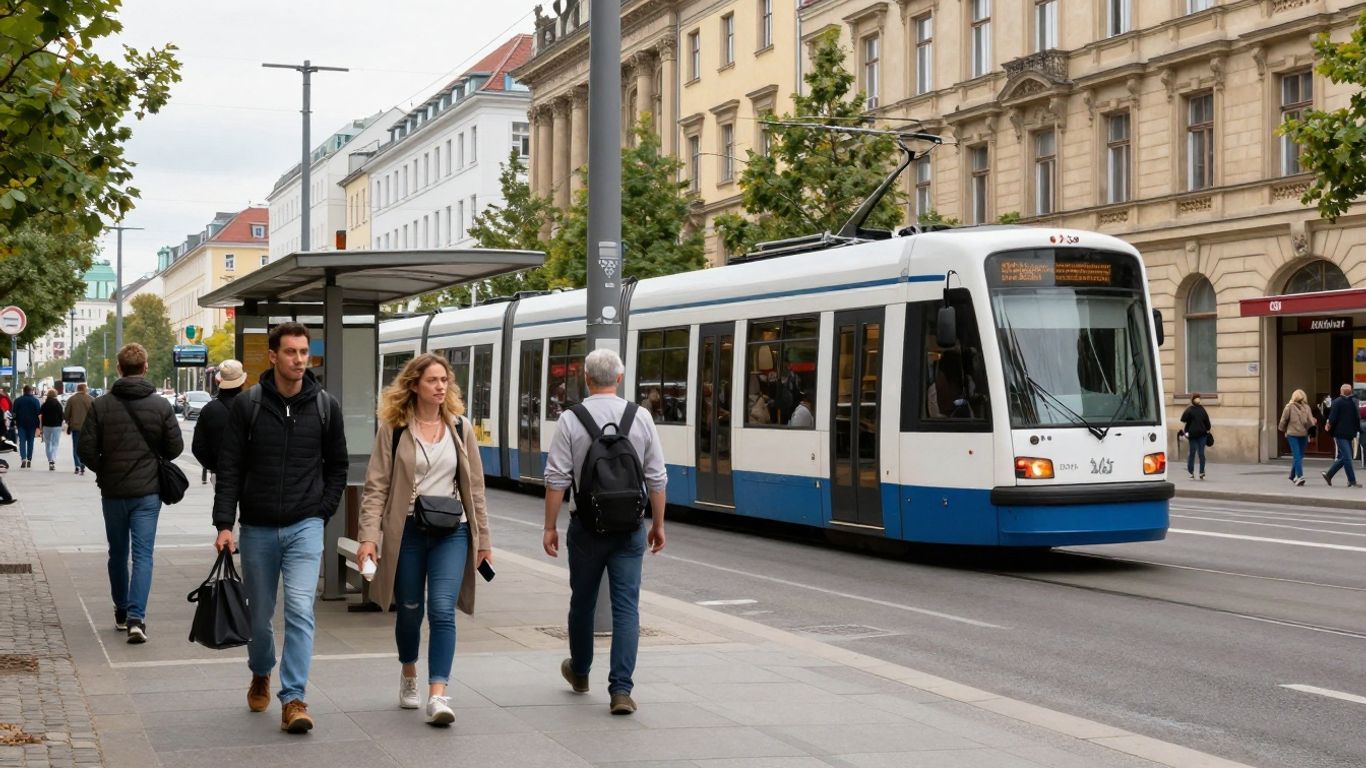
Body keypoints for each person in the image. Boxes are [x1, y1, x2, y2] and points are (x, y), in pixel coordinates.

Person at [211, 323, 347, 734]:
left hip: (305, 524)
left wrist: (321, 511)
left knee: (300, 608)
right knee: (259, 617)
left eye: (304, 352)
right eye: (291, 352)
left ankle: (294, 699)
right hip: (257, 526)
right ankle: (260, 670)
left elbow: (337, 466)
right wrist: (224, 524)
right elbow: (229, 468)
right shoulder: (247, 406)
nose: (299, 360)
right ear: (273, 356)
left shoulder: (325, 406)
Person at [357, 353, 492, 726]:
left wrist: (483, 540)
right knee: (411, 610)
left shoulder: (460, 428)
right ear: (414, 385)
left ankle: (438, 694)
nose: (440, 387)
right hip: (409, 531)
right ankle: (409, 672)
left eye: (444, 380)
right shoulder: (395, 429)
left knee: (442, 609)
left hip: (453, 531)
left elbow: (475, 489)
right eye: (433, 380)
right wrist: (368, 537)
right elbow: (376, 487)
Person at [542, 348, 667, 716]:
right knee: (626, 607)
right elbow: (656, 478)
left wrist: (550, 526)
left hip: (586, 528)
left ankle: (580, 672)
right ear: (620, 377)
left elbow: (556, 479)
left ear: (585, 378)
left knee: (582, 602)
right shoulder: (640, 416)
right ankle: (621, 691)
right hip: (630, 527)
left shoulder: (570, 419)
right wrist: (657, 524)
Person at [77, 344, 182, 643]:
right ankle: (137, 618)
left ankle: (121, 611)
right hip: (148, 492)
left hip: (113, 492)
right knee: (143, 555)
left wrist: (105, 469)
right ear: (145, 367)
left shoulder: (101, 405)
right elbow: (175, 448)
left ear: (120, 369)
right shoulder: (160, 405)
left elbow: (85, 448)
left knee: (117, 553)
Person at [191, 360, 246, 486]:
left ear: (218, 382)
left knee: (224, 504)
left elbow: (198, 447)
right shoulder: (251, 406)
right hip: (251, 475)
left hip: (221, 474)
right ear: (242, 382)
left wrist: (215, 466)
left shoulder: (209, 410)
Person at [1321, 383, 1362, 488]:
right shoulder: (1355, 401)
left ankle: (1329, 475)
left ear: (1341, 391)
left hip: (1340, 433)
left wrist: (1328, 426)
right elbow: (1358, 417)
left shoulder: (1337, 402)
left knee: (1345, 457)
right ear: (1351, 391)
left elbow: (1333, 417)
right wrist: (1358, 429)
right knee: (1347, 457)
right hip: (1348, 434)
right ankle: (1352, 481)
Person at [1278, 389, 1314, 486]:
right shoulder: (1291, 407)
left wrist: (1282, 429)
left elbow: (1283, 421)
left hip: (1298, 434)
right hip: (1296, 435)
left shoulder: (1304, 407)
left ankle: (1292, 475)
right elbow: (1283, 421)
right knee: (1298, 456)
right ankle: (1300, 476)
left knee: (1299, 456)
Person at [1179, 393, 1211, 480]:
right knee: (1192, 453)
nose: (1198, 400)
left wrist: (1207, 429)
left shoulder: (1202, 409)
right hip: (1193, 435)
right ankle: (1191, 471)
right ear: (1193, 400)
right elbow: (1183, 419)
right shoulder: (1190, 409)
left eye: (1199, 398)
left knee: (1201, 454)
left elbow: (1207, 422)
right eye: (1196, 398)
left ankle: (1201, 472)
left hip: (1202, 435)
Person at [64, 383, 95, 475]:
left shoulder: (71, 399)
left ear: (77, 389)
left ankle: (77, 465)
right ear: (85, 389)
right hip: (88, 428)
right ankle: (83, 464)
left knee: (76, 446)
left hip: (76, 427)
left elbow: (66, 413)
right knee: (85, 446)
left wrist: (68, 421)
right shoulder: (91, 399)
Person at [11, 385, 40, 469]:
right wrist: (38, 426)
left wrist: (14, 421)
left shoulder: (18, 400)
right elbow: (38, 413)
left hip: (21, 424)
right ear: (31, 391)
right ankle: (29, 459)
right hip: (32, 424)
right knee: (31, 442)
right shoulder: (35, 401)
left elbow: (14, 413)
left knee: (22, 442)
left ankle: (23, 458)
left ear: (23, 391)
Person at [39, 389, 63, 471]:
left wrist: (41, 426)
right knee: (55, 444)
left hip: (46, 426)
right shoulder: (58, 404)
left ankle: (50, 460)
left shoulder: (44, 404)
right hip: (56, 426)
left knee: (47, 444)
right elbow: (61, 415)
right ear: (55, 395)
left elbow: (40, 414)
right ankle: (53, 459)